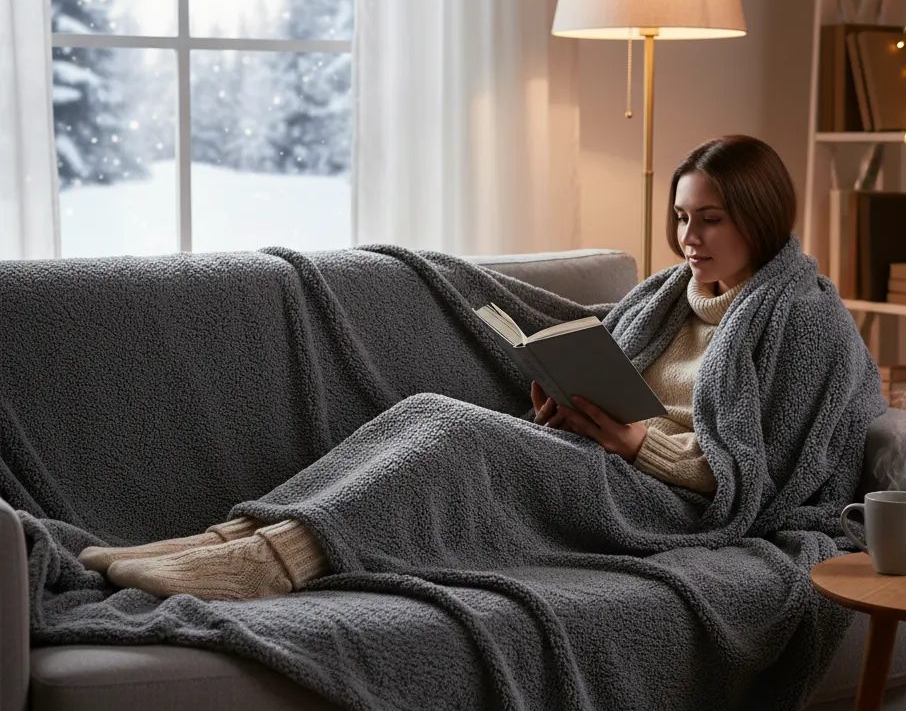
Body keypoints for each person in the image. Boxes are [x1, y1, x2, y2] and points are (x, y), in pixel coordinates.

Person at [79, 134, 800, 601]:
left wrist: (637, 443)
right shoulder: (667, 294)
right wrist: (572, 408)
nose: (688, 238)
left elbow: (748, 473)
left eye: (710, 219)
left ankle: (269, 566)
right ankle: (226, 542)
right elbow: (623, 377)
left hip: (667, 503)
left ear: (758, 217)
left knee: (456, 435)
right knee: (426, 410)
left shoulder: (796, 315)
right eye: (681, 217)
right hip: (611, 455)